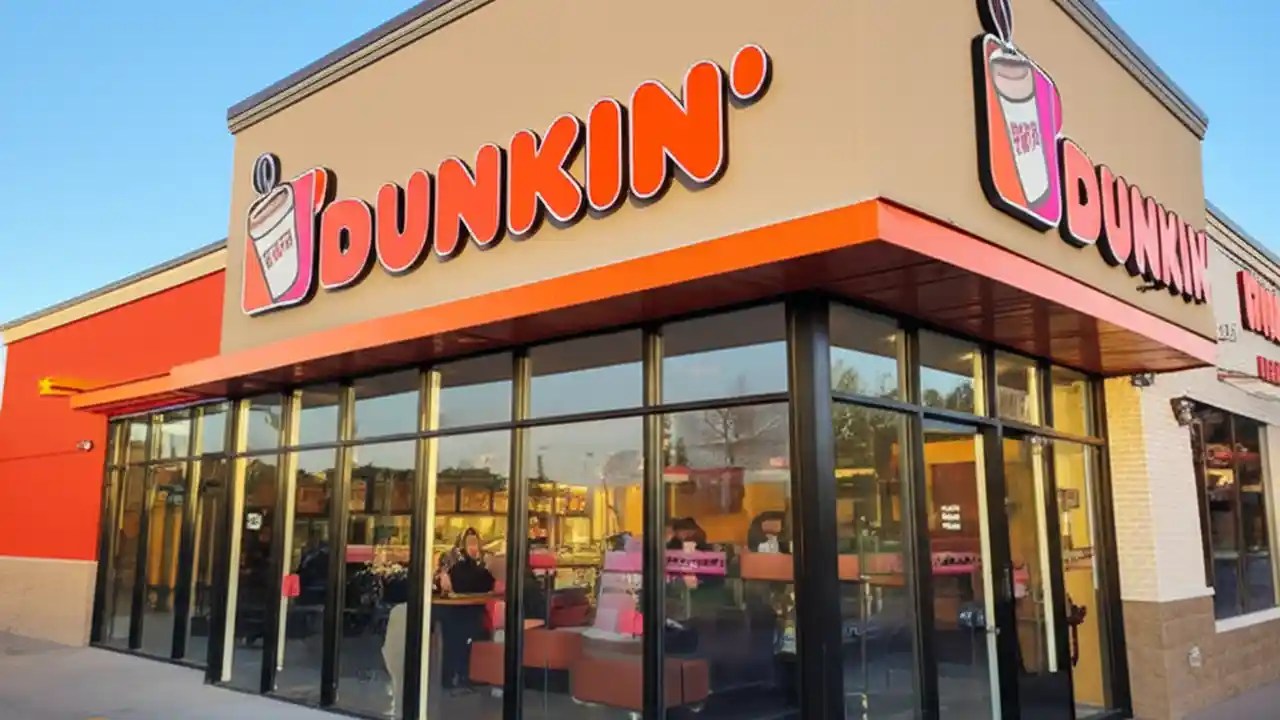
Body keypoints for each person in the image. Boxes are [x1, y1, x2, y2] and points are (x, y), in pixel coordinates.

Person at [434, 527, 496, 691]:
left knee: (474, 637)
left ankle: (467, 675)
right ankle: (451, 678)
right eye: (470, 543)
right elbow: (447, 582)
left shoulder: (483, 561)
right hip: (453, 611)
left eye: (475, 543)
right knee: (454, 642)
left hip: (472, 609)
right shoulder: (452, 560)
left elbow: (487, 584)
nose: (473, 547)